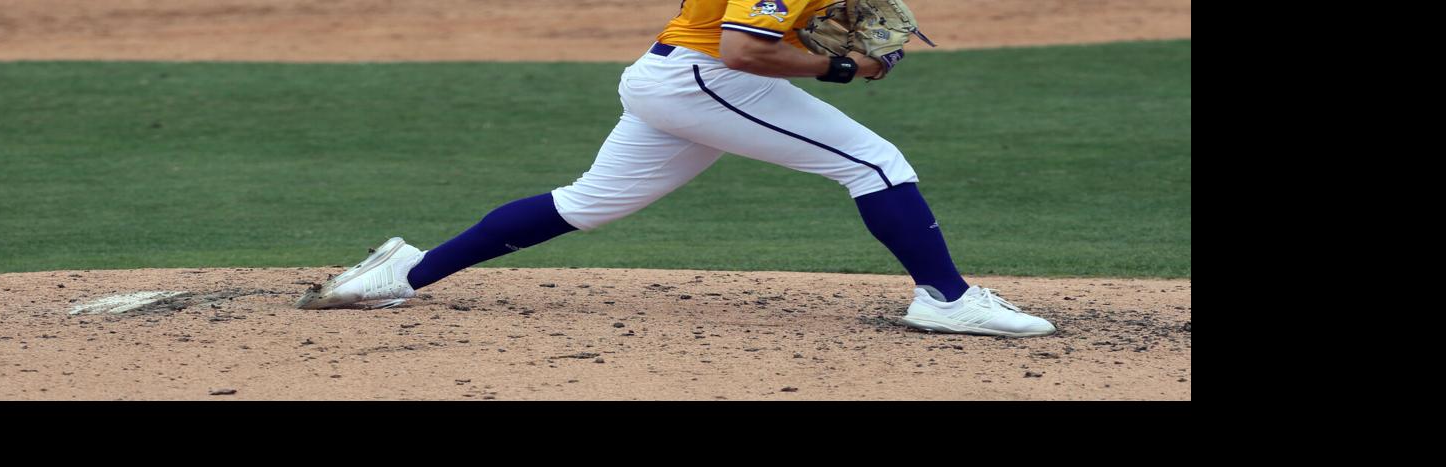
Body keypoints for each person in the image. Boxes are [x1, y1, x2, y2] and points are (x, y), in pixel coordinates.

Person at [296, 0, 1055, 337]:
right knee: (872, 161)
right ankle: (946, 300)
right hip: (704, 80)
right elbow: (741, 50)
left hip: (678, 79)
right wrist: (841, 67)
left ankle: (400, 276)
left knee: (589, 203)